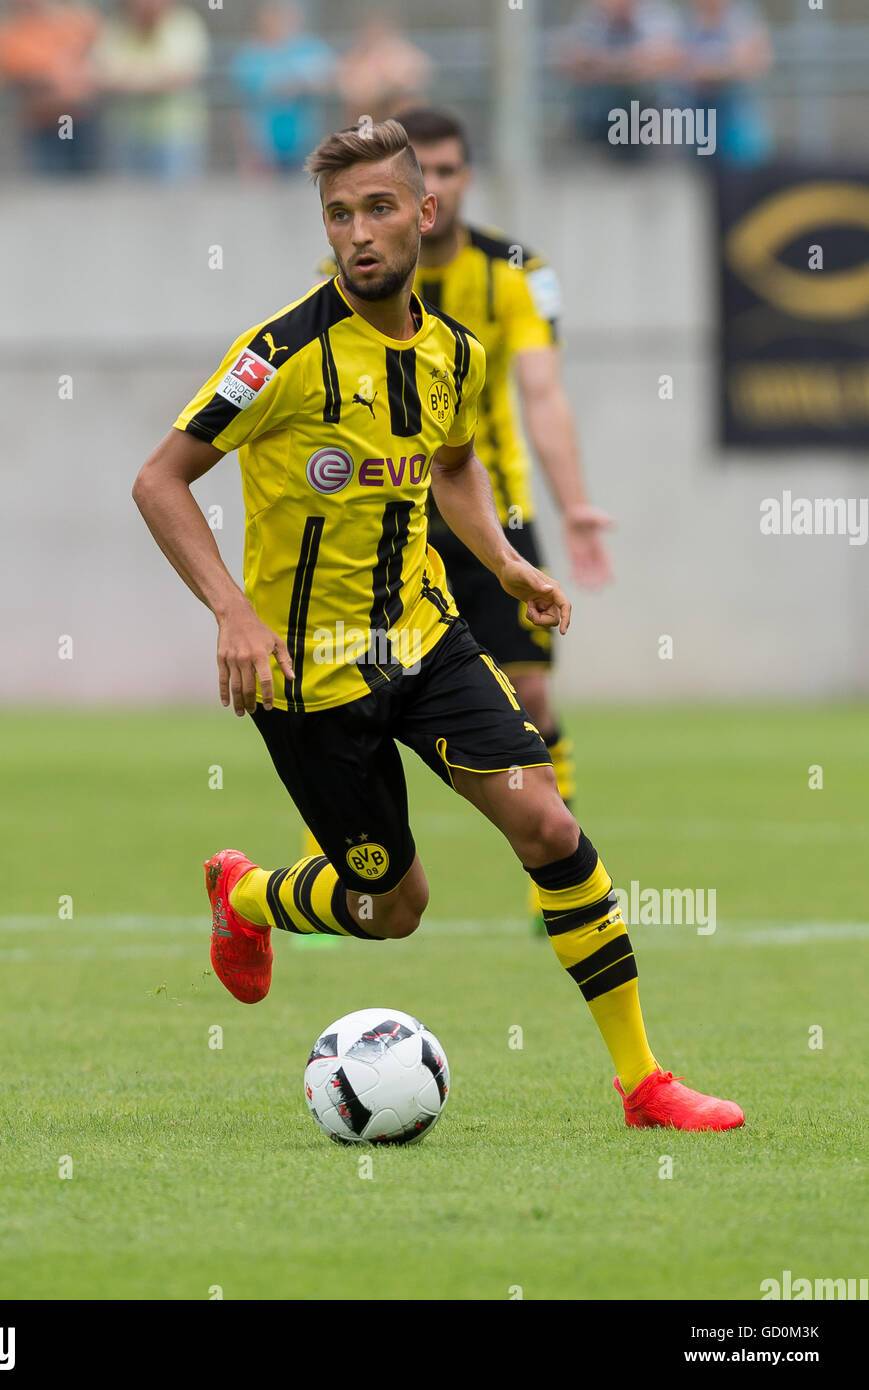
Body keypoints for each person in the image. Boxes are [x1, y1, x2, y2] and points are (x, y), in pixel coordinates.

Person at [133, 119, 744, 1131]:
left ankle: (644, 1083)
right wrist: (232, 612)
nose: (358, 232)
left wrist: (505, 560)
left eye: (378, 208)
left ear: (424, 212)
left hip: (422, 639)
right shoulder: (282, 354)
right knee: (392, 908)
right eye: (339, 213)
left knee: (549, 823)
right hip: (310, 675)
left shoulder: (455, 352)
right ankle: (247, 896)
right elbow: (160, 479)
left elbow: (455, 463)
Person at [315, 108, 612, 934]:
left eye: (445, 171)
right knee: (357, 705)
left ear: (450, 188)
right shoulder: (349, 278)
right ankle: (344, 857)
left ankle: (549, 866)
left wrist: (573, 502)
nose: (435, 184)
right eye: (426, 169)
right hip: (386, 520)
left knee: (532, 695)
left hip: (491, 510)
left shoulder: (516, 270)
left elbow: (543, 393)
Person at [94, 0, 210, 180]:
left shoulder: (185, 25)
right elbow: (102, 75)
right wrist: (154, 78)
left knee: (175, 204)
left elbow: (182, 77)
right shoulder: (116, 26)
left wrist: (127, 79)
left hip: (175, 136)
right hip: (124, 135)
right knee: (123, 203)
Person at [0, 0, 102, 176]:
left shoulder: (68, 20)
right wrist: (56, 68)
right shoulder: (11, 31)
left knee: (83, 183)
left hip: (77, 118)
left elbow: (90, 33)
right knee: (49, 184)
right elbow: (13, 66)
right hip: (42, 123)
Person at [556, 0, 681, 157]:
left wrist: (603, 65)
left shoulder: (656, 13)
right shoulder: (595, 14)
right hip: (603, 108)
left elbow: (662, 61)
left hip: (646, 109)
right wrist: (628, 65)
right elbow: (571, 58)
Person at [229, 0, 334, 176]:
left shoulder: (310, 49)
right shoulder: (249, 57)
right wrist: (247, 155)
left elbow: (329, 79)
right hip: (264, 149)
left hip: (306, 144)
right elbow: (238, 109)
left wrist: (302, 85)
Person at [679, 0, 772, 166]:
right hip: (697, 117)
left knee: (743, 171)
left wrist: (706, 69)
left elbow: (751, 63)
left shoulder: (742, 20)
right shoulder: (686, 21)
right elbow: (671, 61)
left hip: (735, 118)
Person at [334, 10, 433, 128]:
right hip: (368, 115)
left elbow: (417, 76)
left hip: (399, 112)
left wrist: (387, 86)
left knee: (407, 105)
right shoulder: (356, 56)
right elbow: (350, 87)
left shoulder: (402, 52)